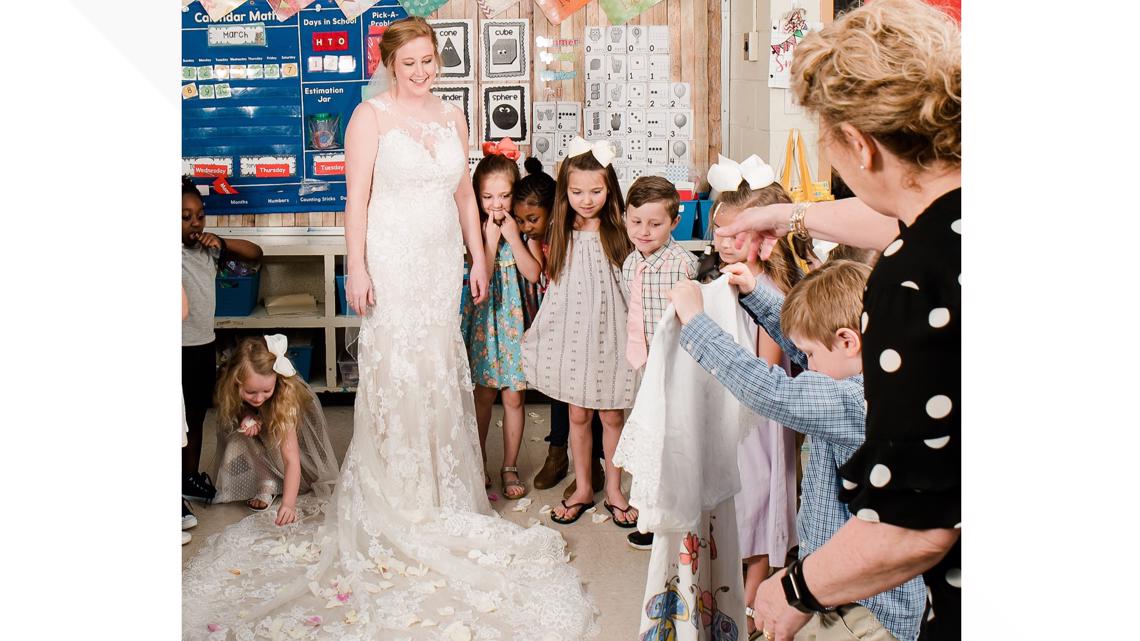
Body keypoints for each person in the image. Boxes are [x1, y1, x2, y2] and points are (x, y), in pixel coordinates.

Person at [182, 18, 597, 641]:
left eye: (430, 60)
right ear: (390, 64)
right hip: (393, 258)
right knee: (398, 369)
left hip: (439, 261)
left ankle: (441, 495)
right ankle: (396, 495)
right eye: (411, 63)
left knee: (437, 369)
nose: (423, 71)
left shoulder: (452, 116)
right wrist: (357, 266)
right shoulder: (368, 117)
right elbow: (356, 198)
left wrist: (478, 258)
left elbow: (464, 196)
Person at [714, 2, 961, 638]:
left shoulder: (911, 281)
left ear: (859, 144)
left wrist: (796, 589)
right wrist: (782, 216)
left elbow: (914, 525)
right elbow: (898, 216)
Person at [669, 260, 925, 641]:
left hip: (864, 613)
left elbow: (772, 391)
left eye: (811, 355)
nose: (808, 363)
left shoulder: (858, 401)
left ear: (848, 341)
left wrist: (696, 323)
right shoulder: (878, 367)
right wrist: (756, 293)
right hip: (845, 594)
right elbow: (811, 341)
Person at [703, 156, 804, 631]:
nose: (723, 242)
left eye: (735, 234)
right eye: (719, 232)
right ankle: (734, 572)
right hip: (731, 404)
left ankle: (755, 585)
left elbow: (767, 366)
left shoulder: (768, 289)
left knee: (760, 493)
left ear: (764, 238)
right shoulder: (725, 282)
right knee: (737, 493)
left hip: (760, 413)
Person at [522, 138, 640, 526]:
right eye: (577, 192)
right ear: (565, 192)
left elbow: (628, 286)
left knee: (612, 415)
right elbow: (557, 287)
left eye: (595, 191)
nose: (586, 200)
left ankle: (614, 490)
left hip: (610, 333)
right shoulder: (561, 230)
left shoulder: (619, 229)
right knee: (577, 414)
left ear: (609, 189)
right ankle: (584, 486)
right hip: (573, 334)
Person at [511, 159, 607, 494]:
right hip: (556, 323)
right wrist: (529, 238)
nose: (526, 226)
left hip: (585, 321)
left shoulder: (571, 234)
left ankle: (593, 463)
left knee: (589, 393)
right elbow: (538, 272)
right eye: (521, 220)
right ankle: (557, 454)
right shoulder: (538, 237)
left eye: (532, 219)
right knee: (559, 389)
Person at [620, 175, 698, 546]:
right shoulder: (629, 263)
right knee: (650, 439)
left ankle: (676, 518)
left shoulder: (684, 266)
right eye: (636, 221)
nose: (644, 231)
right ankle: (651, 516)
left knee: (674, 443)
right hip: (645, 368)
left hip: (676, 369)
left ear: (674, 222)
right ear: (625, 218)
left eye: (655, 224)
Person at [460, 150, 541, 499]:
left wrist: (512, 236)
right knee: (482, 394)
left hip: (515, 323)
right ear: (478, 198)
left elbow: (534, 273)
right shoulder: (474, 231)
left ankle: (509, 466)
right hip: (485, 321)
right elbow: (482, 277)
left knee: (514, 396)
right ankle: (478, 461)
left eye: (505, 196)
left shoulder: (525, 228)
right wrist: (490, 241)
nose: (497, 204)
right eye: (488, 197)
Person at [181, 176, 262, 505]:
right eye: (185, 217)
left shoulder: (207, 251)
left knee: (197, 415)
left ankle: (188, 478)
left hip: (202, 345)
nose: (195, 223)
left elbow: (255, 254)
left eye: (200, 215)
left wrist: (222, 243)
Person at [209, 336, 339, 524]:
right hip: (258, 419)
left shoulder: (285, 400)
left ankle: (277, 479)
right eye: (250, 392)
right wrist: (246, 415)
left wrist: (288, 505)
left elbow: (291, 458)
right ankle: (267, 478)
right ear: (236, 382)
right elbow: (238, 409)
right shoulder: (231, 388)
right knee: (236, 434)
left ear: (276, 382)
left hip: (285, 425)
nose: (258, 398)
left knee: (279, 443)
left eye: (266, 391)